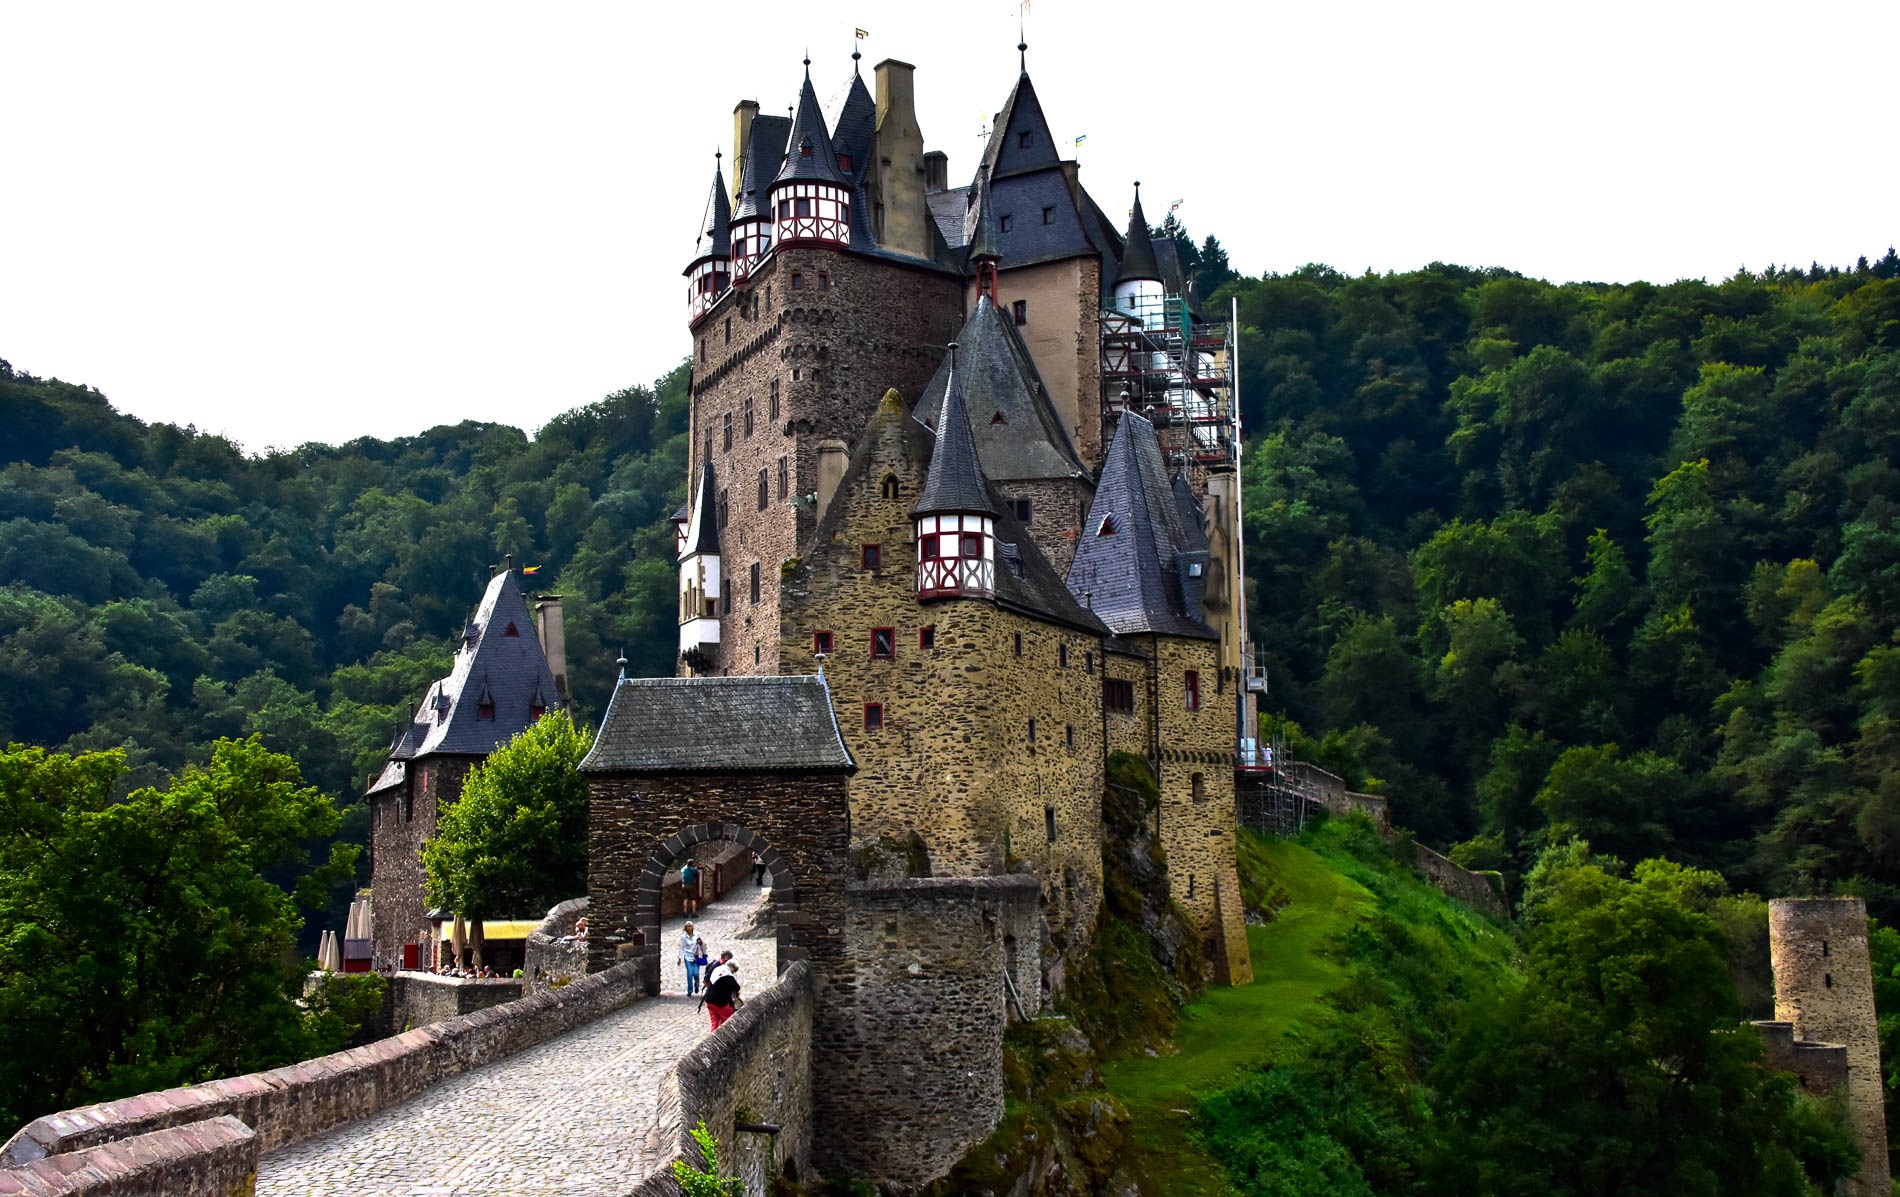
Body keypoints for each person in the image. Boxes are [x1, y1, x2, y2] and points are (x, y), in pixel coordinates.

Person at [702, 963, 741, 1031]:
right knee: (729, 1020)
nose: (733, 973)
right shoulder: (728, 976)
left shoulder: (717, 970)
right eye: (734, 971)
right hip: (719, 1002)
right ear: (732, 968)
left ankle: (713, 1039)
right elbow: (737, 987)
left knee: (715, 1023)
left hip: (709, 1000)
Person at [678, 921, 698, 994]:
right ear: (686, 928)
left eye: (690, 926)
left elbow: (701, 944)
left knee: (696, 973)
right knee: (689, 973)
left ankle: (697, 985)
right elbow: (682, 947)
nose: (689, 928)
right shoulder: (684, 937)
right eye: (688, 927)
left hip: (696, 956)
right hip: (687, 956)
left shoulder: (697, 935)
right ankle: (690, 990)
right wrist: (680, 957)